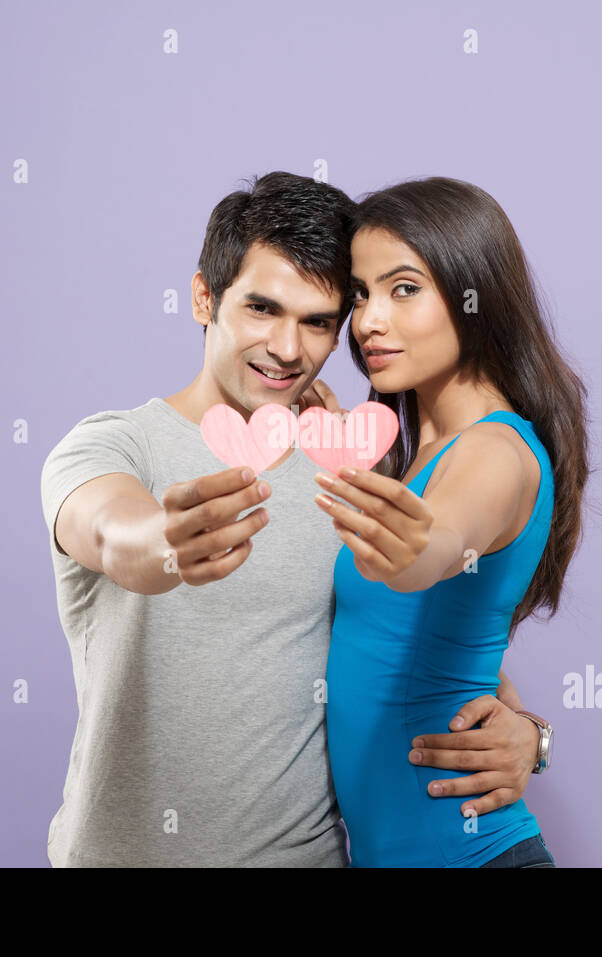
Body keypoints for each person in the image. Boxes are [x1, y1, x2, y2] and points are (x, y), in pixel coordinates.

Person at [39, 171, 550, 866]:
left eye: (317, 322)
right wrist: (165, 541)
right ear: (202, 298)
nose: (287, 347)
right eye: (261, 309)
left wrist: (524, 731)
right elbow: (108, 530)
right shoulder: (113, 444)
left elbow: (423, 635)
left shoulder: (349, 469)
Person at [316, 177, 590, 867]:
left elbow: (433, 544)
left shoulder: (496, 452)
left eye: (403, 288)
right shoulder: (415, 458)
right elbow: (428, 642)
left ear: (475, 292)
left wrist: (407, 548)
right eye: (360, 294)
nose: (370, 320)